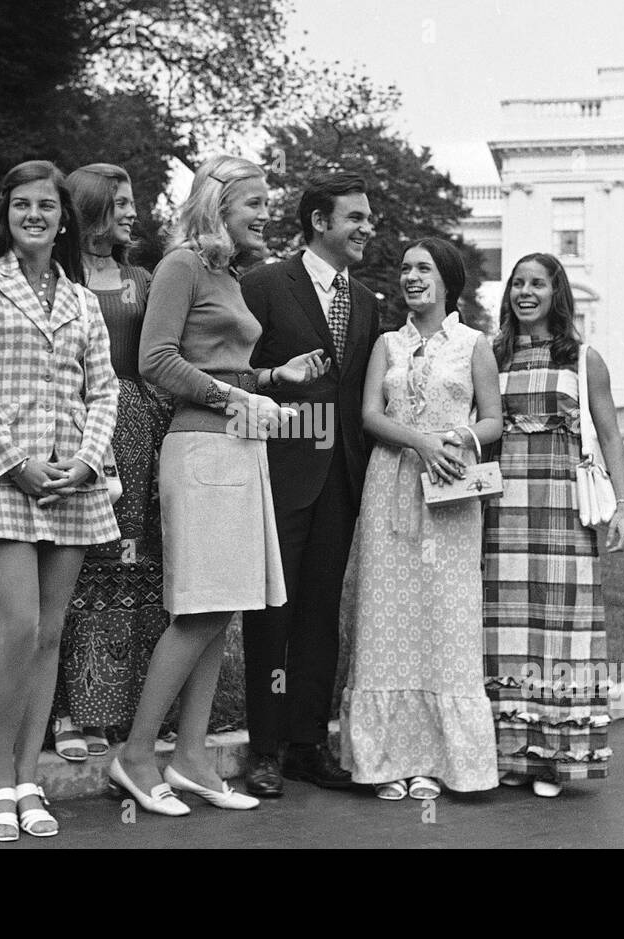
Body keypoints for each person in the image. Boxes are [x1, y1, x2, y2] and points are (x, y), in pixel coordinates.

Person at [110, 155, 327, 816]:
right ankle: (137, 754)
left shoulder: (228, 273)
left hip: (238, 444)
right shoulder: (182, 264)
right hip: (201, 448)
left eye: (268, 202)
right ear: (218, 205)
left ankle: (191, 755)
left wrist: (270, 383)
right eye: (254, 203)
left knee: (224, 606)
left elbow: (221, 367)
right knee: (199, 608)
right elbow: (156, 361)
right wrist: (234, 396)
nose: (267, 214)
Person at [0, 160, 120, 841]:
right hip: (1, 481)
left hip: (72, 484)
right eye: (22, 204)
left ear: (64, 215)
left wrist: (84, 461)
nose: (35, 214)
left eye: (46, 204)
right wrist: (15, 465)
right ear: (6, 213)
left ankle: (29, 778)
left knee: (49, 633)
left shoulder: (80, 300)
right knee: (16, 628)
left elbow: (103, 389)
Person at [340, 237, 503, 800]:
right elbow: (368, 415)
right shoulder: (387, 343)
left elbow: (493, 420)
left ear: (447, 280)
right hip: (391, 483)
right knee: (387, 611)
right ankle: (385, 760)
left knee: (445, 613)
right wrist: (418, 442)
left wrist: (455, 439)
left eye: (423, 268)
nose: (411, 276)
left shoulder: (474, 343)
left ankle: (438, 760)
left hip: (451, 490)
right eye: (405, 267)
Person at [239, 172, 378, 797]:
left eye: (367, 218)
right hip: (279, 469)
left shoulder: (370, 303)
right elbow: (234, 376)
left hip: (343, 479)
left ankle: (307, 744)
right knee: (274, 612)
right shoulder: (264, 285)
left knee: (322, 613)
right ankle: (264, 748)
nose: (366, 228)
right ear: (319, 222)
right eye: (355, 217)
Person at [481, 252, 624, 798]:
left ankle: (555, 758)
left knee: (560, 629)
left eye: (538, 284)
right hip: (501, 511)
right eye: (518, 284)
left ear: (556, 292)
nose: (526, 292)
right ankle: (510, 754)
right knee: (502, 631)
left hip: (564, 512)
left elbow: (611, 435)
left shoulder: (585, 359)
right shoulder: (490, 354)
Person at [49, 163, 171, 761]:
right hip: (75, 427)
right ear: (92, 208)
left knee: (135, 573)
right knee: (79, 575)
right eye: (120, 203)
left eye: (133, 203)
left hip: (139, 428)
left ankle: (124, 708)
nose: (132, 213)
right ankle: (71, 709)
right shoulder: (55, 277)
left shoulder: (142, 280)